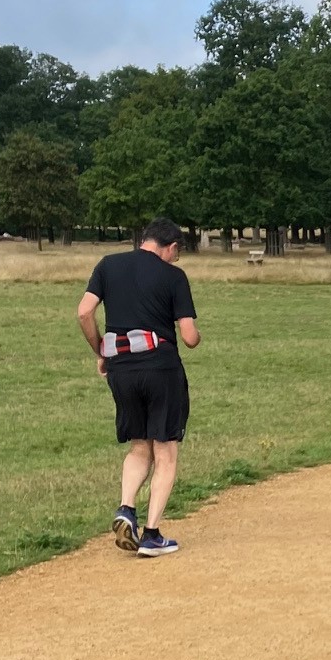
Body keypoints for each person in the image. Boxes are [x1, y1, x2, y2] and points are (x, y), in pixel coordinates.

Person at [76, 217, 201, 557]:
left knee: (138, 446)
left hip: (122, 368)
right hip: (160, 367)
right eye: (177, 254)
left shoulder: (108, 265)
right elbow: (189, 338)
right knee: (166, 450)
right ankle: (152, 534)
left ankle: (126, 508)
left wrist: (101, 350)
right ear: (172, 247)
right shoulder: (174, 276)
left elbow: (84, 312)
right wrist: (197, 335)